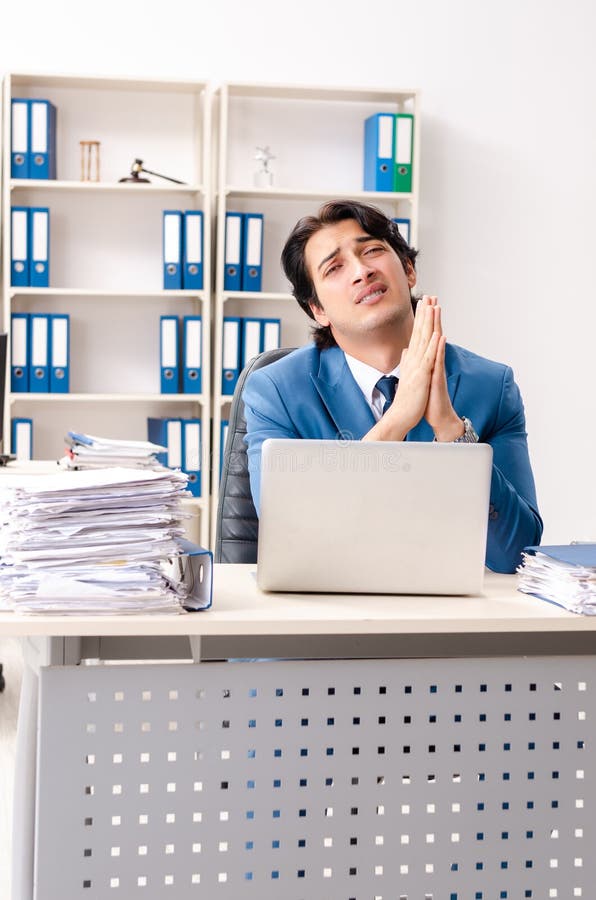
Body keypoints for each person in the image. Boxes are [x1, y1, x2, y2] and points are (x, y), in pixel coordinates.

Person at [243, 200, 542, 573]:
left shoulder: (491, 386)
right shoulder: (277, 392)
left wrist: (453, 435)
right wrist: (395, 422)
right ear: (317, 309)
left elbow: (516, 555)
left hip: (449, 616)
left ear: (409, 269)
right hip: (329, 612)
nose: (362, 271)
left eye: (372, 251)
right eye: (335, 267)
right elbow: (293, 540)